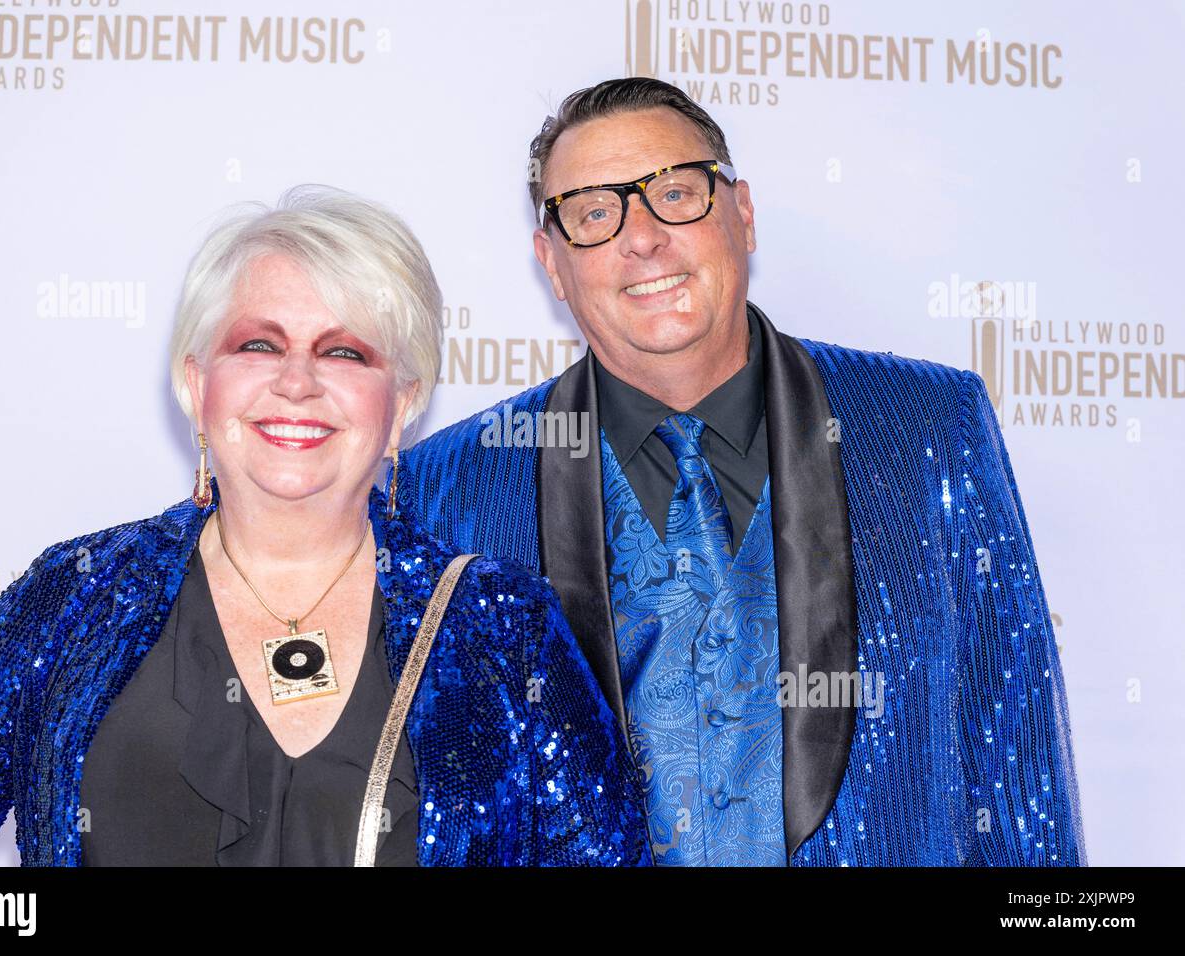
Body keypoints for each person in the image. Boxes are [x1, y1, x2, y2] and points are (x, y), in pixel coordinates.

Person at [398, 78, 1087, 866]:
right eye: (594, 212)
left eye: (676, 193)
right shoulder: (445, 485)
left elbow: (1014, 758)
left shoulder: (930, 427)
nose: (644, 236)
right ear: (552, 265)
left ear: (743, 214)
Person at [0, 185, 648, 867]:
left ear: (403, 404)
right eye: (259, 344)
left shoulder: (504, 627)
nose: (297, 383)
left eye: (344, 352)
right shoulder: (75, 593)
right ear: (196, 383)